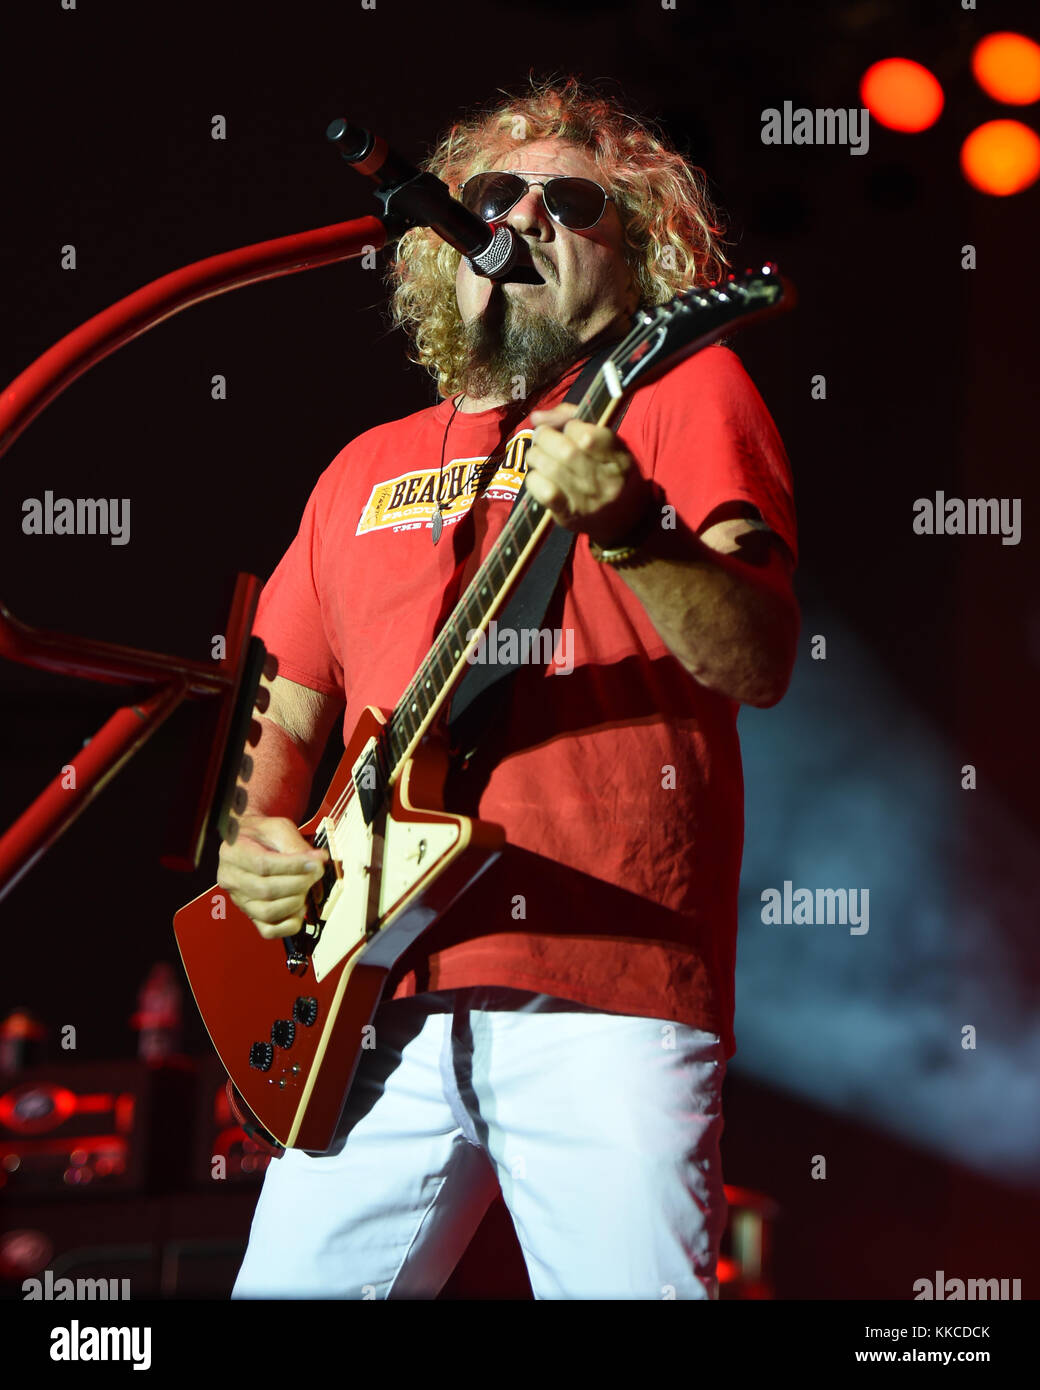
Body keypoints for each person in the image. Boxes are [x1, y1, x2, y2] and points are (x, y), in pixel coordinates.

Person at [219, 76, 799, 1300]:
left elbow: (755, 655)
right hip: (362, 1005)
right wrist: (253, 845)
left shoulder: (678, 391)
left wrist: (630, 525)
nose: (523, 215)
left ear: (632, 253)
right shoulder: (360, 467)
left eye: (571, 199)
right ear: (442, 239)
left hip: (602, 981)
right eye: (494, 194)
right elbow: (274, 719)